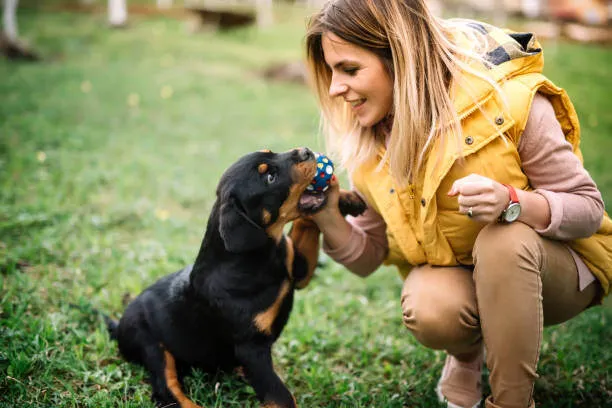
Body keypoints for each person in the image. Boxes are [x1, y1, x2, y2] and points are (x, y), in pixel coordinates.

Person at [303, 1, 612, 407]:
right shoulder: (370, 142)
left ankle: (511, 402)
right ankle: (467, 354)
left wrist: (511, 202)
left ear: (400, 56)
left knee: (502, 242)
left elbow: (587, 209)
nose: (334, 89)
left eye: (349, 69)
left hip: (562, 267)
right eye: (331, 71)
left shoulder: (509, 103)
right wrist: (327, 216)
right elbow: (369, 255)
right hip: (466, 273)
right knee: (431, 306)